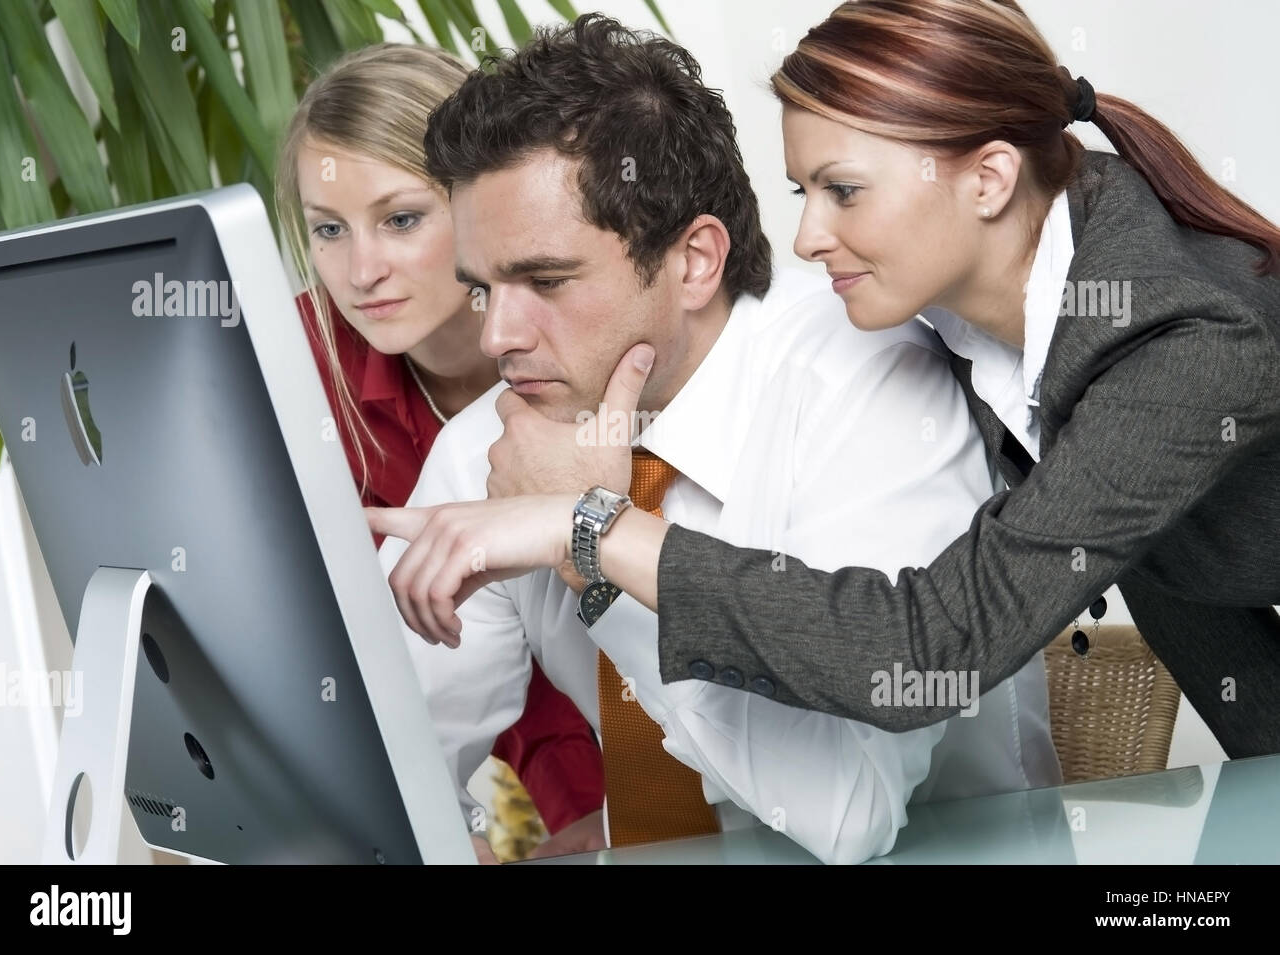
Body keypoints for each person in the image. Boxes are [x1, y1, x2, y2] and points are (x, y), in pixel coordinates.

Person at [372, 0, 1280, 761]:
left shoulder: (1185, 340)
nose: (805, 238)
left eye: (843, 191)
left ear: (990, 179)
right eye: (803, 191)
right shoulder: (986, 325)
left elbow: (929, 646)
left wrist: (590, 535)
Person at [369, 14, 1059, 866]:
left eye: (546, 279)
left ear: (696, 260)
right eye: (482, 288)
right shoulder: (498, 442)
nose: (498, 338)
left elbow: (844, 815)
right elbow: (390, 761)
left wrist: (590, 543)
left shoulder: (870, 385)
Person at [272, 43, 604, 855]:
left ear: (477, 194)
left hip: (658, 730)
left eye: (401, 219)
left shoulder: (588, 330)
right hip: (478, 749)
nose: (362, 270)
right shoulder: (303, 371)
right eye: (328, 230)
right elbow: (391, 660)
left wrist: (609, 814)